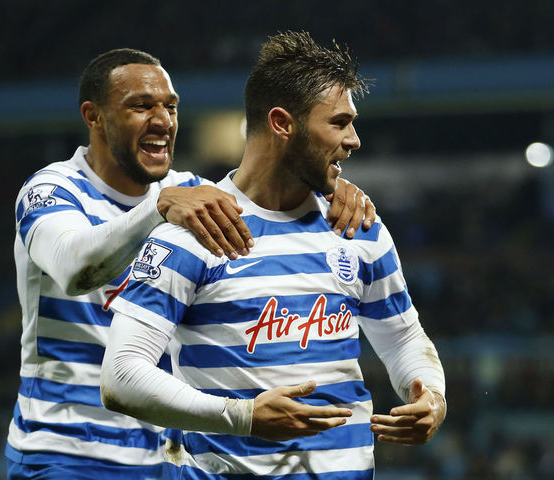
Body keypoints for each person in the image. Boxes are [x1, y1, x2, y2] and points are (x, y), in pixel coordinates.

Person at [5, 47, 376, 478]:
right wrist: (157, 208)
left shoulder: (192, 192)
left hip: (166, 456)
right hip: (66, 454)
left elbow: (271, 204)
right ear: (94, 116)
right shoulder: (52, 190)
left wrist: (334, 189)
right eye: (142, 106)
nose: (163, 120)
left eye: (171, 107)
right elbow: (74, 268)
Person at [100, 31, 446, 479]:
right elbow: (121, 376)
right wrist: (244, 417)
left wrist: (431, 395)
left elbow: (401, 338)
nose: (354, 139)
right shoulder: (193, 234)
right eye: (339, 123)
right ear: (282, 123)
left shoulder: (357, 227)